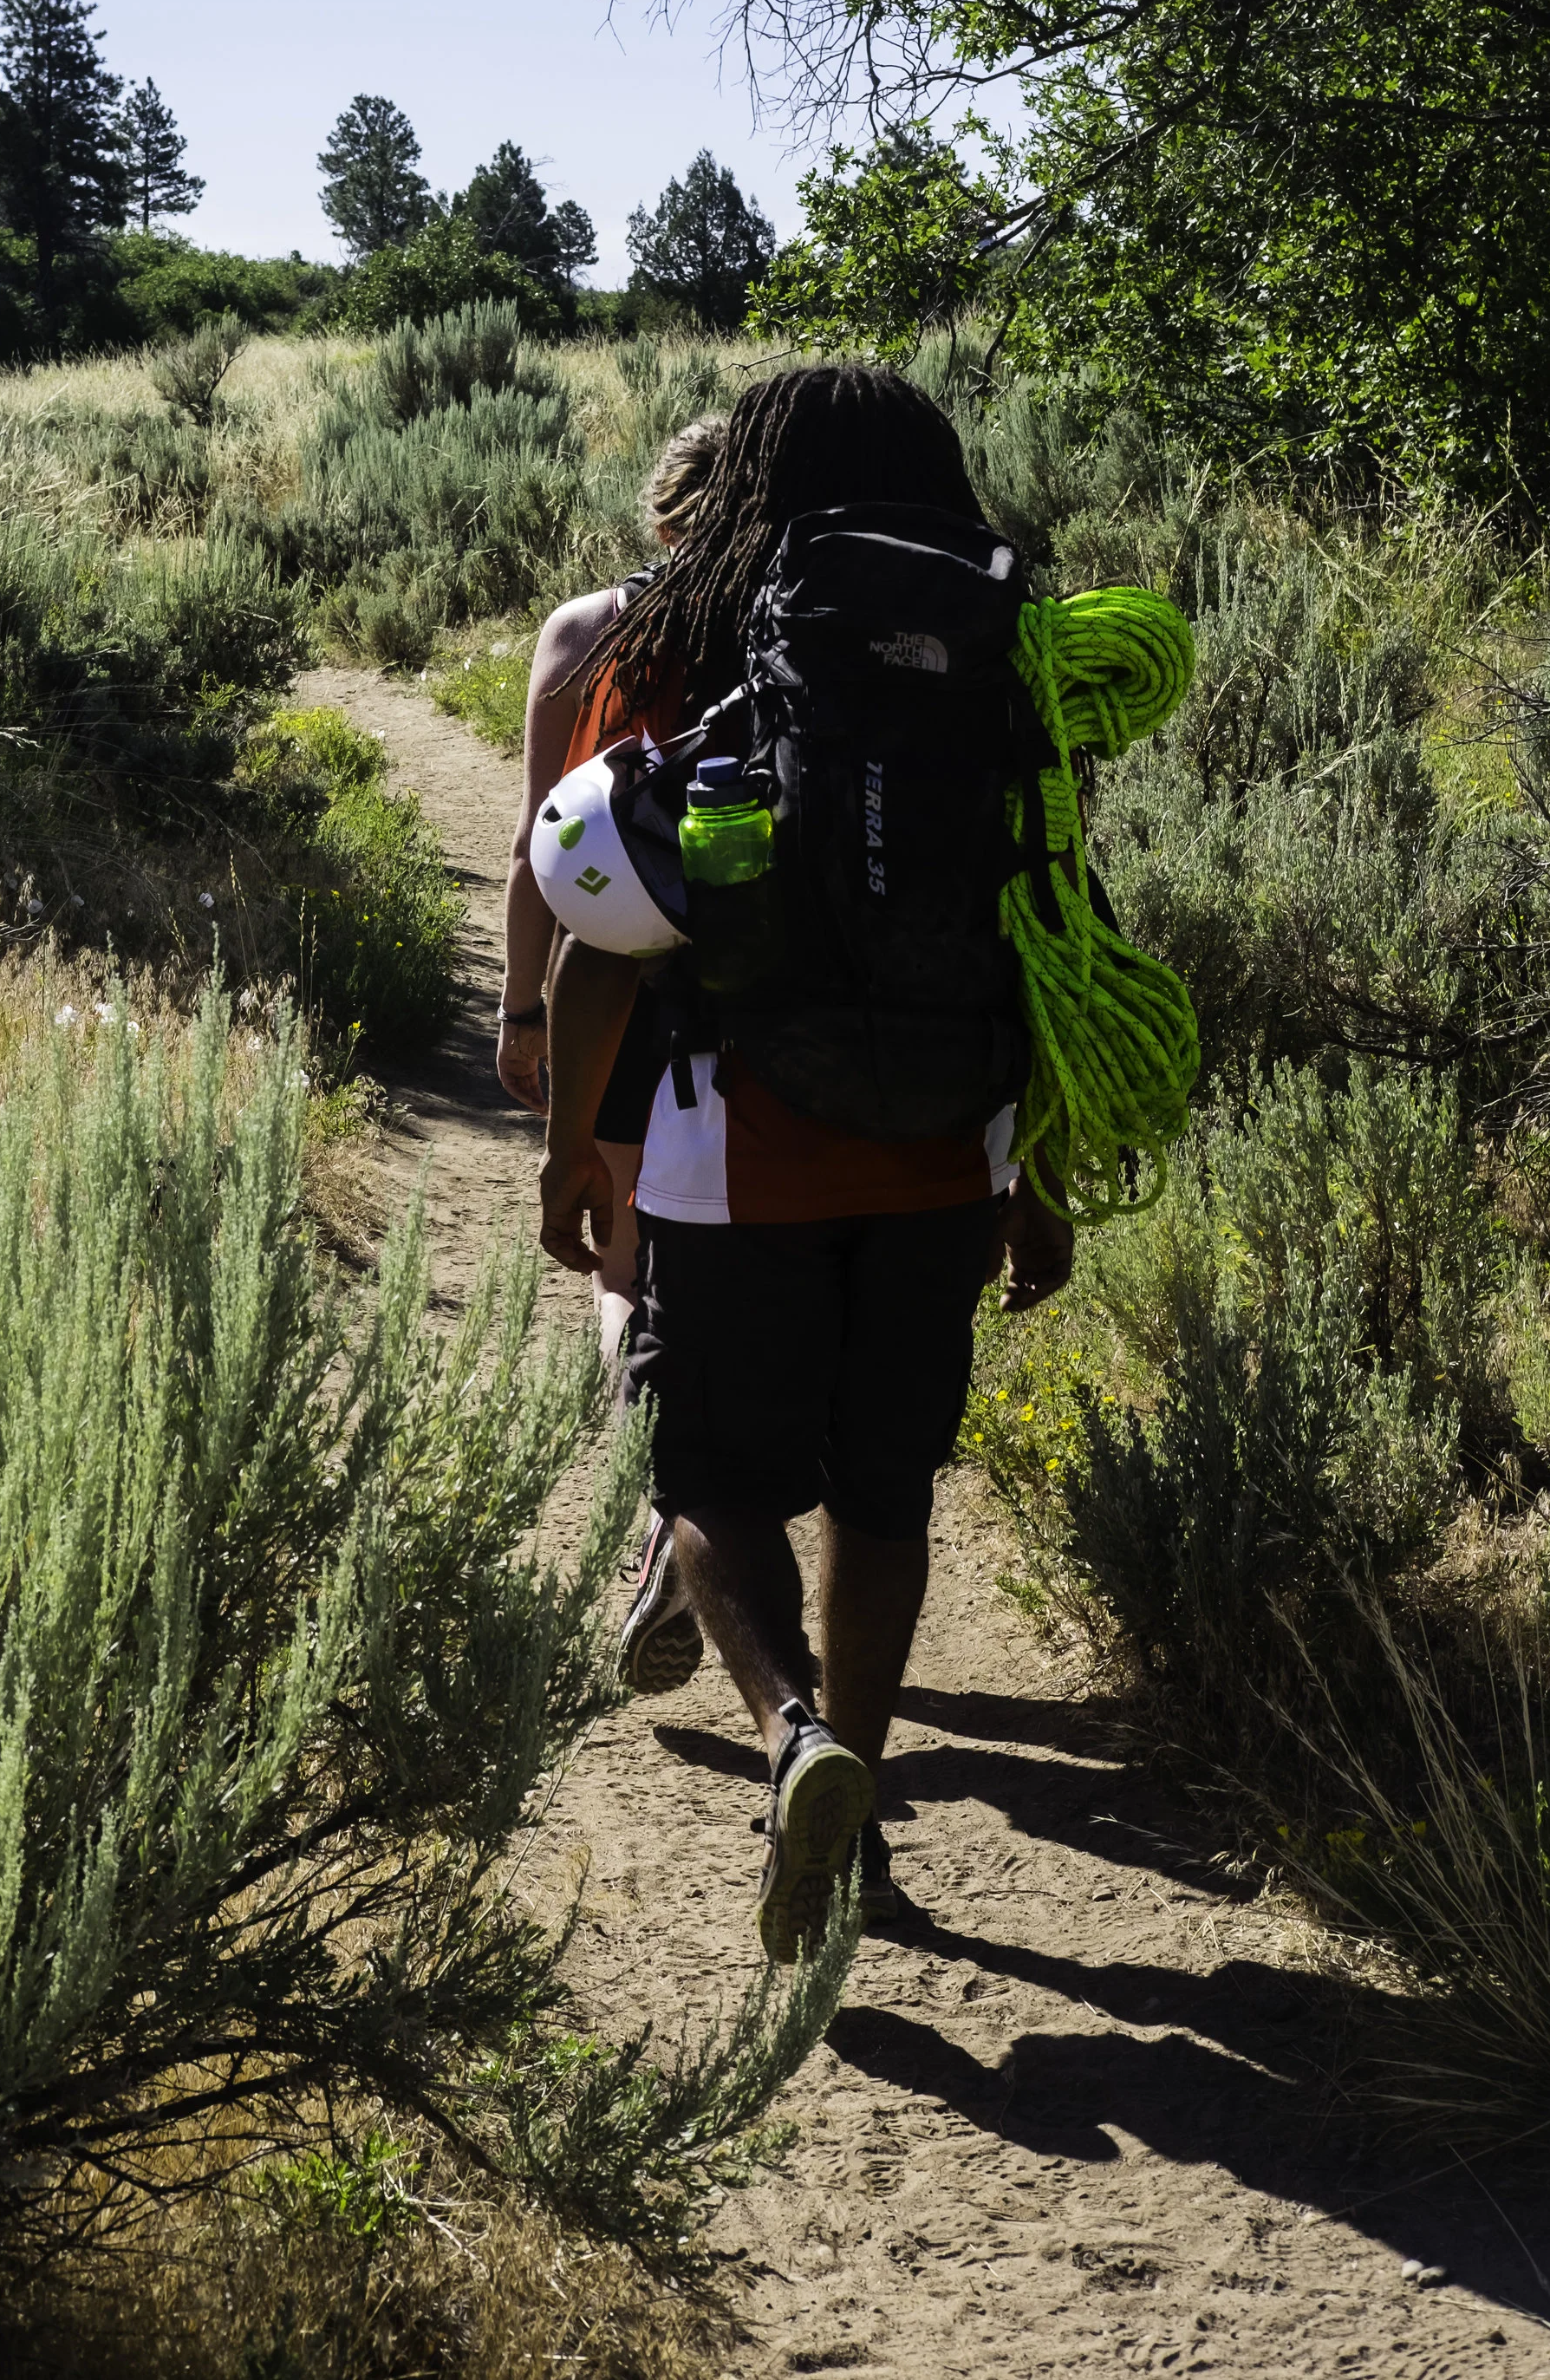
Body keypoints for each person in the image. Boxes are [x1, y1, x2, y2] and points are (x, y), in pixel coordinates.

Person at [537, 364, 1075, 1962]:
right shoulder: (1002, 664)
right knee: (884, 1487)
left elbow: (601, 931)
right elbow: (1049, 929)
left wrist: (574, 1146)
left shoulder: (681, 642)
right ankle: (863, 1778)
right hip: (950, 1152)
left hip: (733, 1143)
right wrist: (1033, 1175)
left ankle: (792, 1737)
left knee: (709, 1477)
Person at [496, 413, 725, 1366]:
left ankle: (656, 1478)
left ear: (662, 523)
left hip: (613, 984)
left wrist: (523, 1012)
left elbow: (532, 847)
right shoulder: (797, 642)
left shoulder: (588, 631)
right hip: (754, 987)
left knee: (623, 1267)